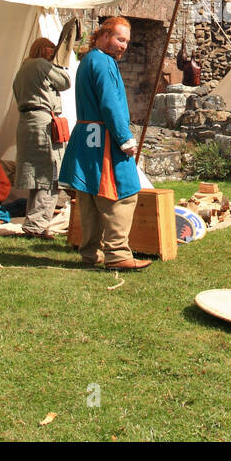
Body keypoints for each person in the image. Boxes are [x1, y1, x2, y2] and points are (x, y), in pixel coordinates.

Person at [58, 16, 150, 270]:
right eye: (119, 39)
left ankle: (90, 254)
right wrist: (125, 139)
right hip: (104, 138)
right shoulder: (103, 62)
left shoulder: (88, 61)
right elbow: (110, 105)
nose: (123, 46)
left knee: (89, 194)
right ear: (103, 35)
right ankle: (118, 254)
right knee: (122, 191)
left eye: (127, 42)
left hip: (87, 136)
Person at [13, 21, 80, 238]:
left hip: (26, 122)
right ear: (44, 50)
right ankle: (36, 225)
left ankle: (33, 221)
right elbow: (65, 81)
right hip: (43, 122)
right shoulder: (42, 65)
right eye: (51, 48)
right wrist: (59, 64)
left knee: (38, 176)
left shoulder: (22, 69)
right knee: (51, 174)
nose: (53, 52)